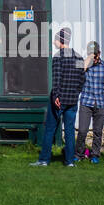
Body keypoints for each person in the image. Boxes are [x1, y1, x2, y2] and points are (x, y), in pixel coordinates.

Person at [32, 27, 83, 167]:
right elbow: (81, 79)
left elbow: (56, 78)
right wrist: (76, 93)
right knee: (70, 131)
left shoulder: (58, 56)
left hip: (59, 99)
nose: (53, 42)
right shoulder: (79, 57)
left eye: (55, 39)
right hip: (72, 99)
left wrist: (56, 95)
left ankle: (44, 159)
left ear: (60, 41)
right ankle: (70, 161)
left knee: (50, 129)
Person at [76, 41, 104, 163]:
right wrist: (90, 58)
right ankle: (79, 154)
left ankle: (95, 155)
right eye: (91, 54)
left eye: (96, 54)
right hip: (86, 102)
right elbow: (80, 69)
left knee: (97, 131)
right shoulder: (84, 64)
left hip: (101, 103)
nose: (95, 57)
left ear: (100, 53)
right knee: (82, 130)